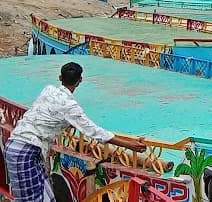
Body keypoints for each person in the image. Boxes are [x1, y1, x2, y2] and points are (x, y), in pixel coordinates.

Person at [3, 62, 146, 202]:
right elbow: (95, 131)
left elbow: (45, 115)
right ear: (79, 81)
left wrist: (64, 125)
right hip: (26, 152)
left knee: (46, 195)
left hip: (18, 145)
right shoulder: (70, 107)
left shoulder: (48, 90)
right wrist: (129, 144)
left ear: (60, 78)